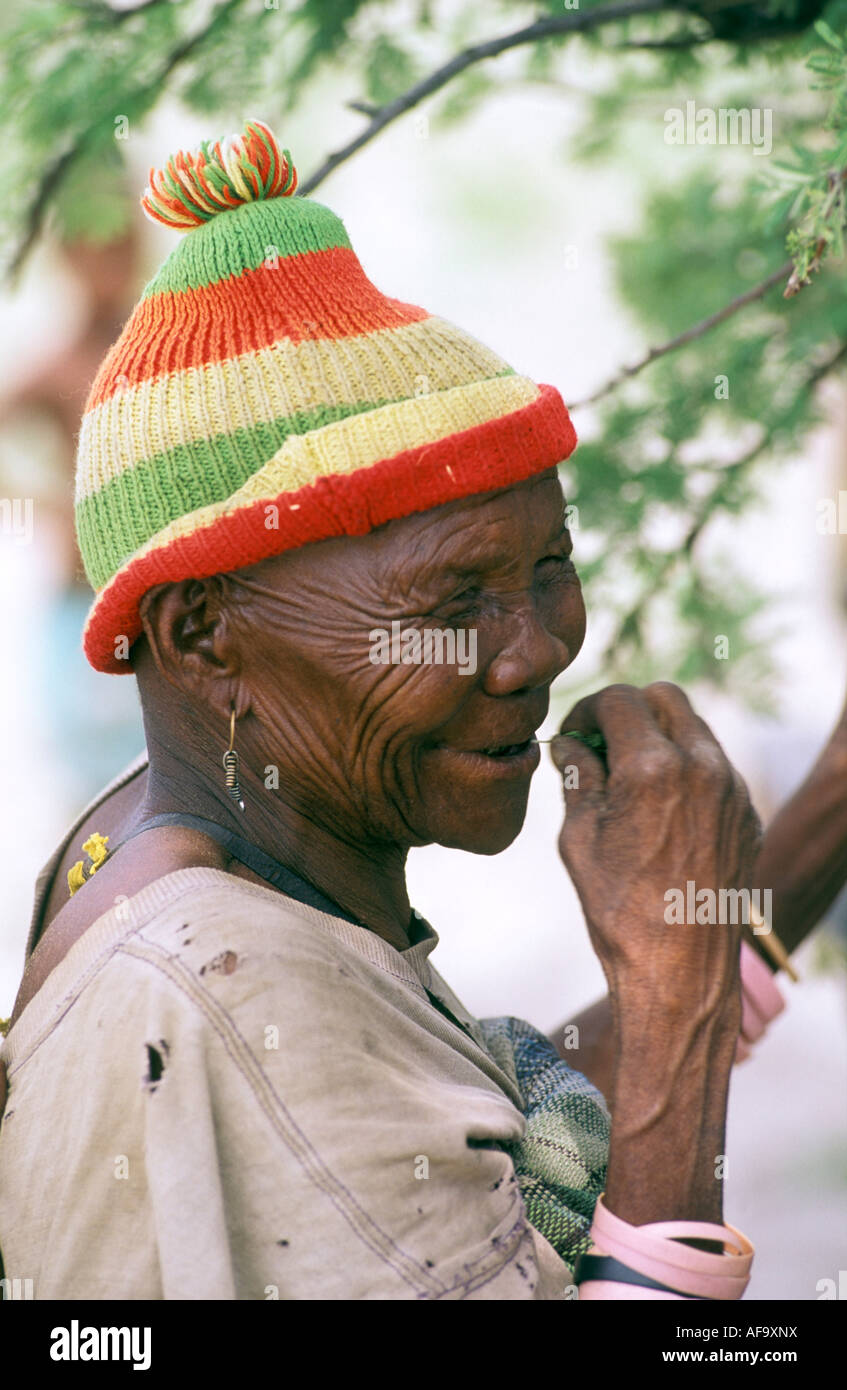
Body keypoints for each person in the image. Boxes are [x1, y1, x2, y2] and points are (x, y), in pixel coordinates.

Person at [0, 121, 770, 1300]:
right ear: (203, 633)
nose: (536, 650)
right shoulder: (219, 991)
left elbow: (482, 1146)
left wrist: (713, 926)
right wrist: (672, 1014)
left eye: (548, 564)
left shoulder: (158, 845)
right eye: (453, 599)